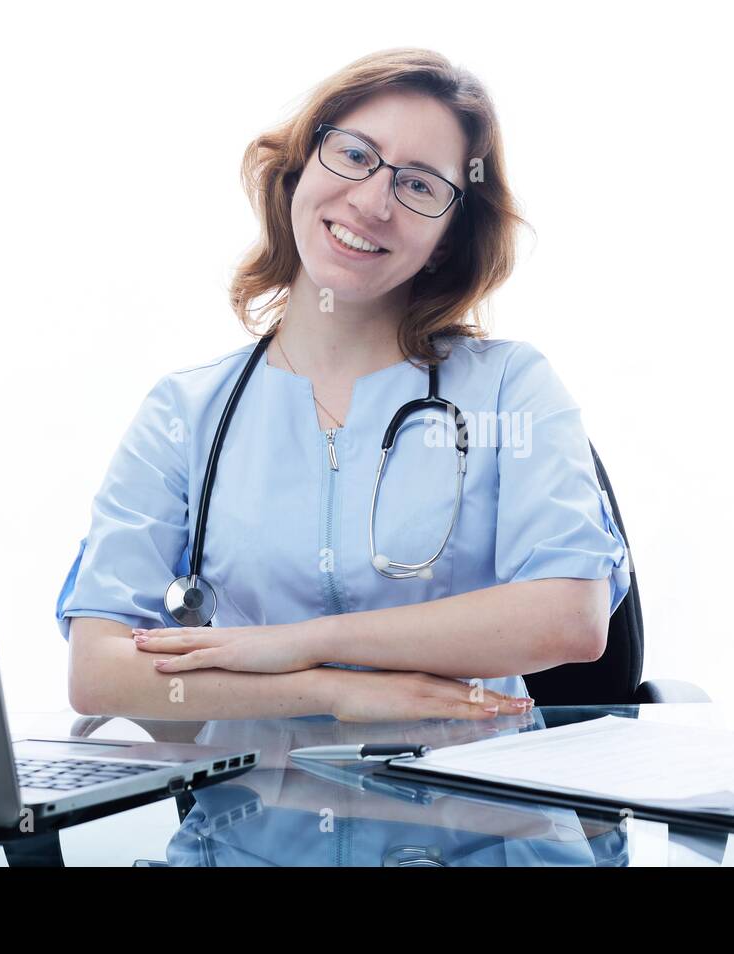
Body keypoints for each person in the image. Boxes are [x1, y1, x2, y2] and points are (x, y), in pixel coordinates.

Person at [57, 48, 631, 723]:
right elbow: (99, 670)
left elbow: (572, 615)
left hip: (476, 810)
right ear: (300, 168)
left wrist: (301, 645)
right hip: (256, 815)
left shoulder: (510, 385)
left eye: (419, 185)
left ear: (447, 238)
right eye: (355, 156)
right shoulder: (184, 413)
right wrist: (333, 691)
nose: (372, 202)